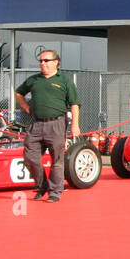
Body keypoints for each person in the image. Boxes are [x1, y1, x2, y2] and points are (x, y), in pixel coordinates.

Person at [15, 50, 80, 202]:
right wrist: (26, 107)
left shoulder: (64, 80)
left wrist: (75, 125)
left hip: (56, 123)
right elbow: (19, 93)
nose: (42, 63)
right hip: (36, 124)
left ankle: (55, 192)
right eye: (41, 60)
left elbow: (75, 104)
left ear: (56, 62)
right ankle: (42, 185)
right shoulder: (34, 79)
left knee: (57, 160)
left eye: (46, 60)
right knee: (30, 157)